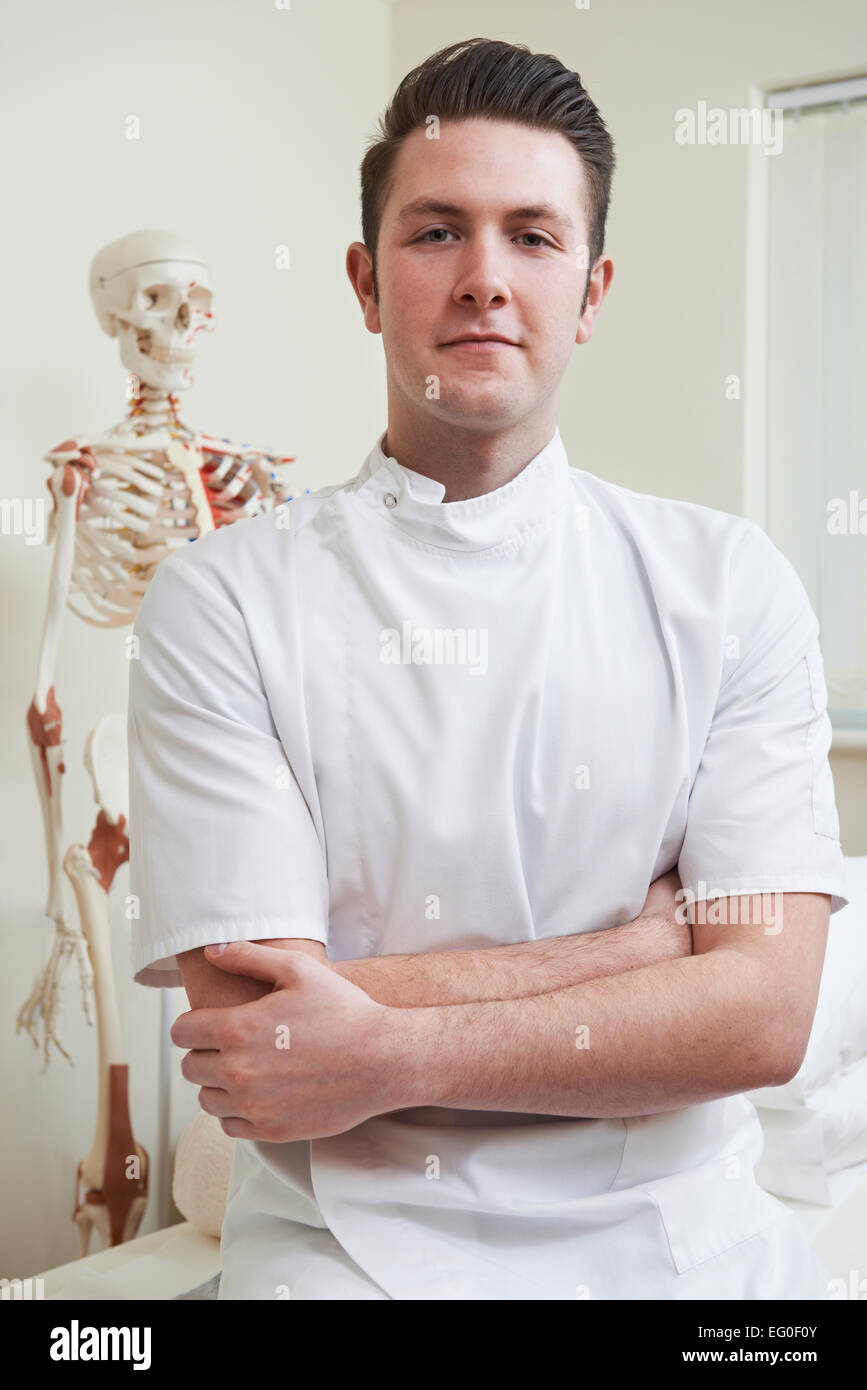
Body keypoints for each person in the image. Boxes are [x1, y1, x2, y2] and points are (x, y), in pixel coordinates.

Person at [128, 37, 848, 1300]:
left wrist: (390, 1049)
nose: (484, 281)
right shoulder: (221, 600)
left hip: (684, 1234)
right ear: (364, 281)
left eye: (532, 235)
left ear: (594, 288)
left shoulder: (728, 586)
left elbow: (763, 1022)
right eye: (435, 233)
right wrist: (647, 951)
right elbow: (266, 1041)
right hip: (345, 1247)